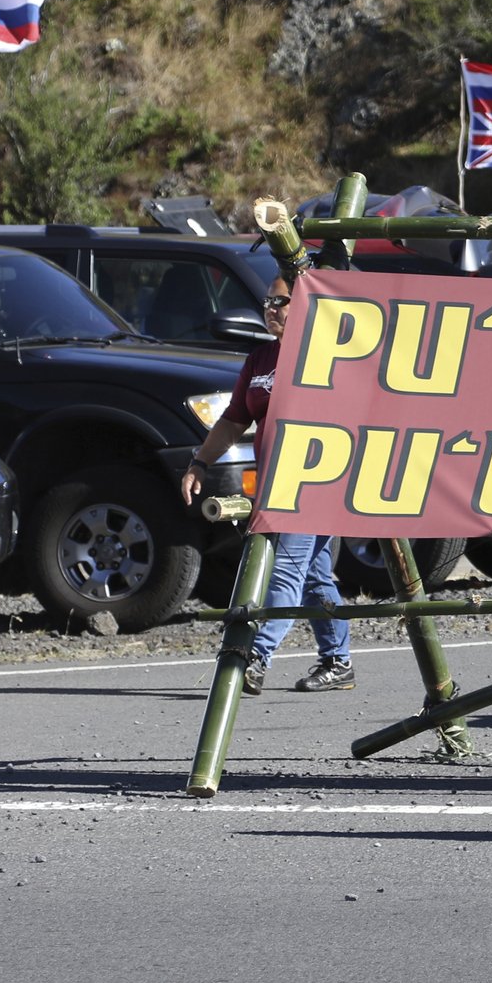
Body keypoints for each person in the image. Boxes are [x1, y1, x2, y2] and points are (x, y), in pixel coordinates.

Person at [181, 272, 354, 694]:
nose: (270, 309)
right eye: (267, 302)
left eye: (280, 302)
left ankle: (255, 657)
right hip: (275, 481)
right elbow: (234, 420)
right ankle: (338, 660)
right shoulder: (260, 360)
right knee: (314, 576)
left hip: (315, 479)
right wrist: (199, 463)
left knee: (286, 570)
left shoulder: (323, 356)